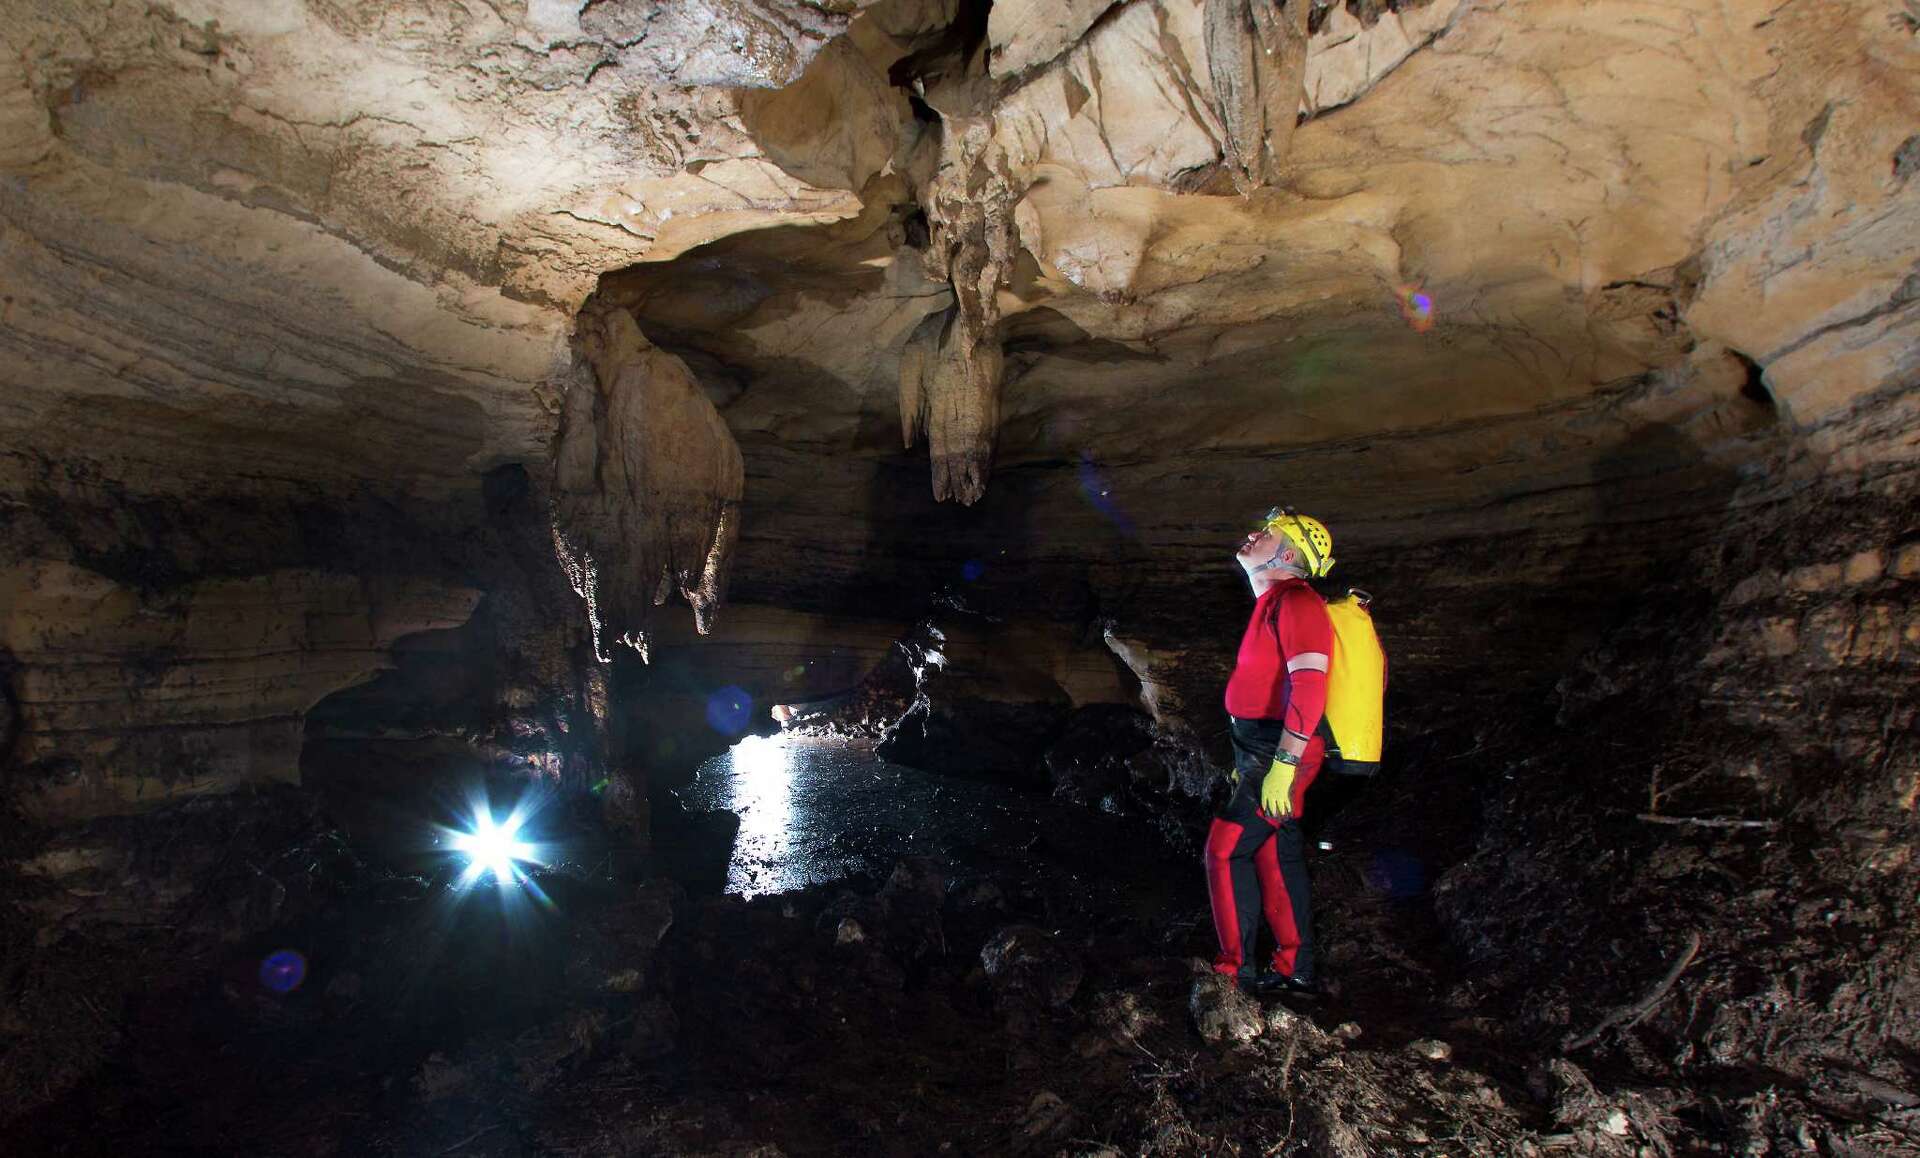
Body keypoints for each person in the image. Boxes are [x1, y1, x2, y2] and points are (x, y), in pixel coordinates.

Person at [1205, 505, 1337, 996]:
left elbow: (1309, 687)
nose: (1251, 534)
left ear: (1286, 553)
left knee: (1223, 850)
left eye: (1265, 533)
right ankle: (1295, 970)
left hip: (1280, 750)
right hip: (1261, 749)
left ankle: (1232, 972)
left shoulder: (1298, 601)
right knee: (1274, 854)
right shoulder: (1274, 603)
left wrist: (1283, 764)